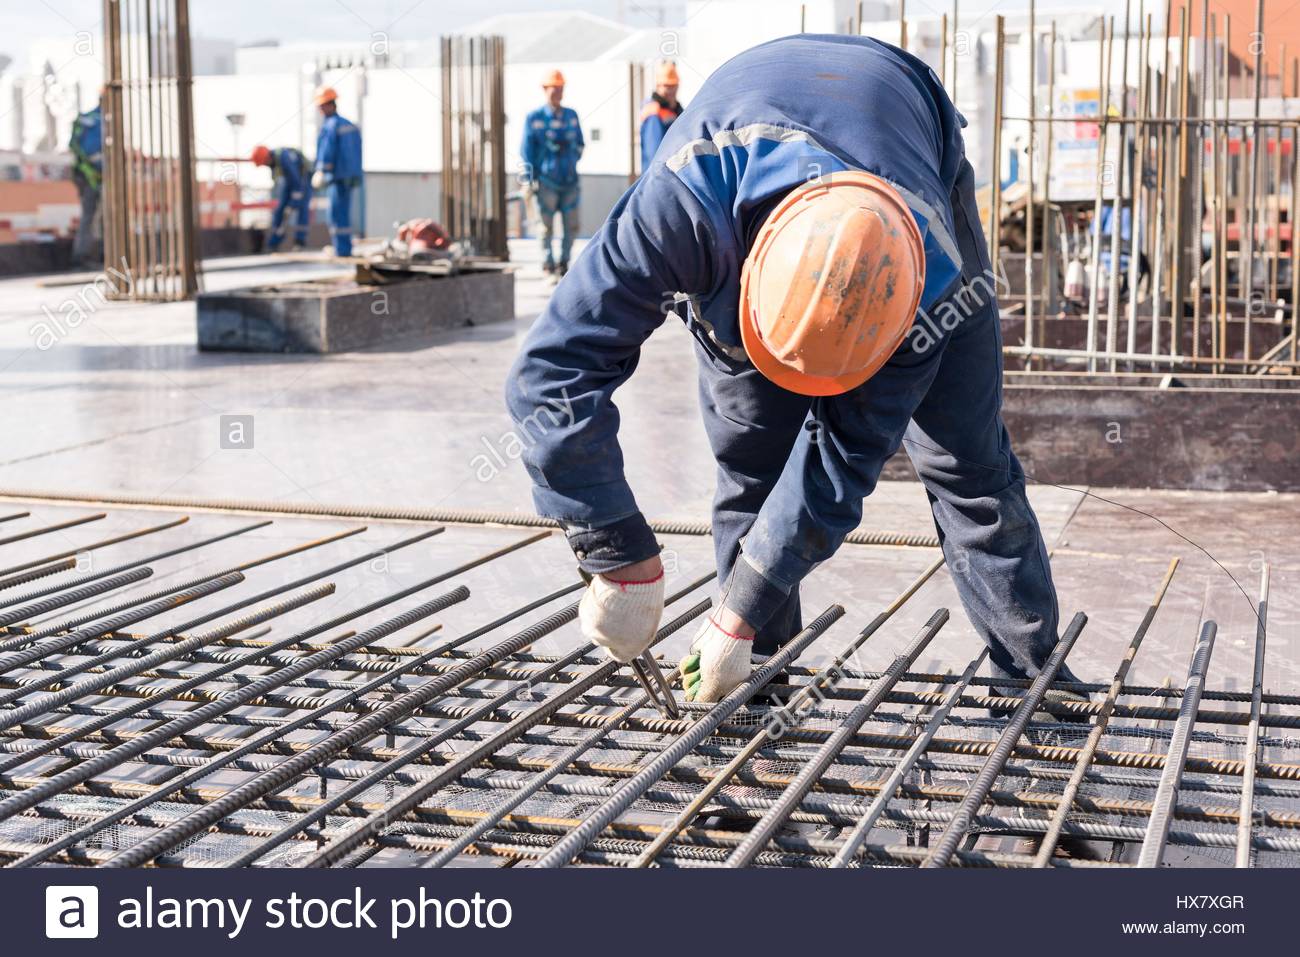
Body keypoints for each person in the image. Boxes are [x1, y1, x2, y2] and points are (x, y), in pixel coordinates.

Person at [505, 35, 1083, 706]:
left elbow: (843, 456)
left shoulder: (929, 280)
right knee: (754, 469)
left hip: (906, 134)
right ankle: (756, 693)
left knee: (969, 464)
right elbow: (550, 374)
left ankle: (1033, 684)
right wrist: (614, 549)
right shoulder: (677, 214)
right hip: (748, 176)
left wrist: (740, 605)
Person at [520, 69, 584, 276]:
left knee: (571, 226)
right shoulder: (534, 118)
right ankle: (548, 264)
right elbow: (526, 151)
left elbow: (581, 144)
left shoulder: (571, 116)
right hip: (546, 182)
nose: (557, 92)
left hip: (569, 181)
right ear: (544, 89)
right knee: (544, 227)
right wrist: (529, 181)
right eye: (553, 88)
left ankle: (563, 263)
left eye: (560, 88)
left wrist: (570, 158)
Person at [311, 87, 363, 257]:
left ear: (327, 105)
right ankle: (345, 248)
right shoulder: (349, 125)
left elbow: (327, 151)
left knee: (335, 214)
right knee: (344, 214)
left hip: (337, 176)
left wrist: (321, 170)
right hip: (350, 175)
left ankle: (341, 249)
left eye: (321, 106)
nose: (320, 110)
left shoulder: (330, 126)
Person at [251, 145, 312, 252]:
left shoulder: (284, 157)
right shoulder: (274, 162)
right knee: (280, 210)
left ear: (266, 158)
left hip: (302, 181)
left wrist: (294, 201)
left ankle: (300, 242)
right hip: (289, 183)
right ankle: (274, 243)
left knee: (302, 209)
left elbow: (295, 178)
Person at [69, 98, 103, 267]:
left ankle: (84, 256)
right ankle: (88, 256)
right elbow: (93, 151)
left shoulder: (88, 118)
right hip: (93, 176)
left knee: (89, 216)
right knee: (96, 216)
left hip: (84, 175)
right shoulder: (98, 121)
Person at [639, 62, 684, 172]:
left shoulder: (676, 110)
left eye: (673, 85)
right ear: (658, 86)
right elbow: (654, 155)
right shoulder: (654, 112)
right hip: (660, 177)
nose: (670, 90)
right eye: (666, 86)